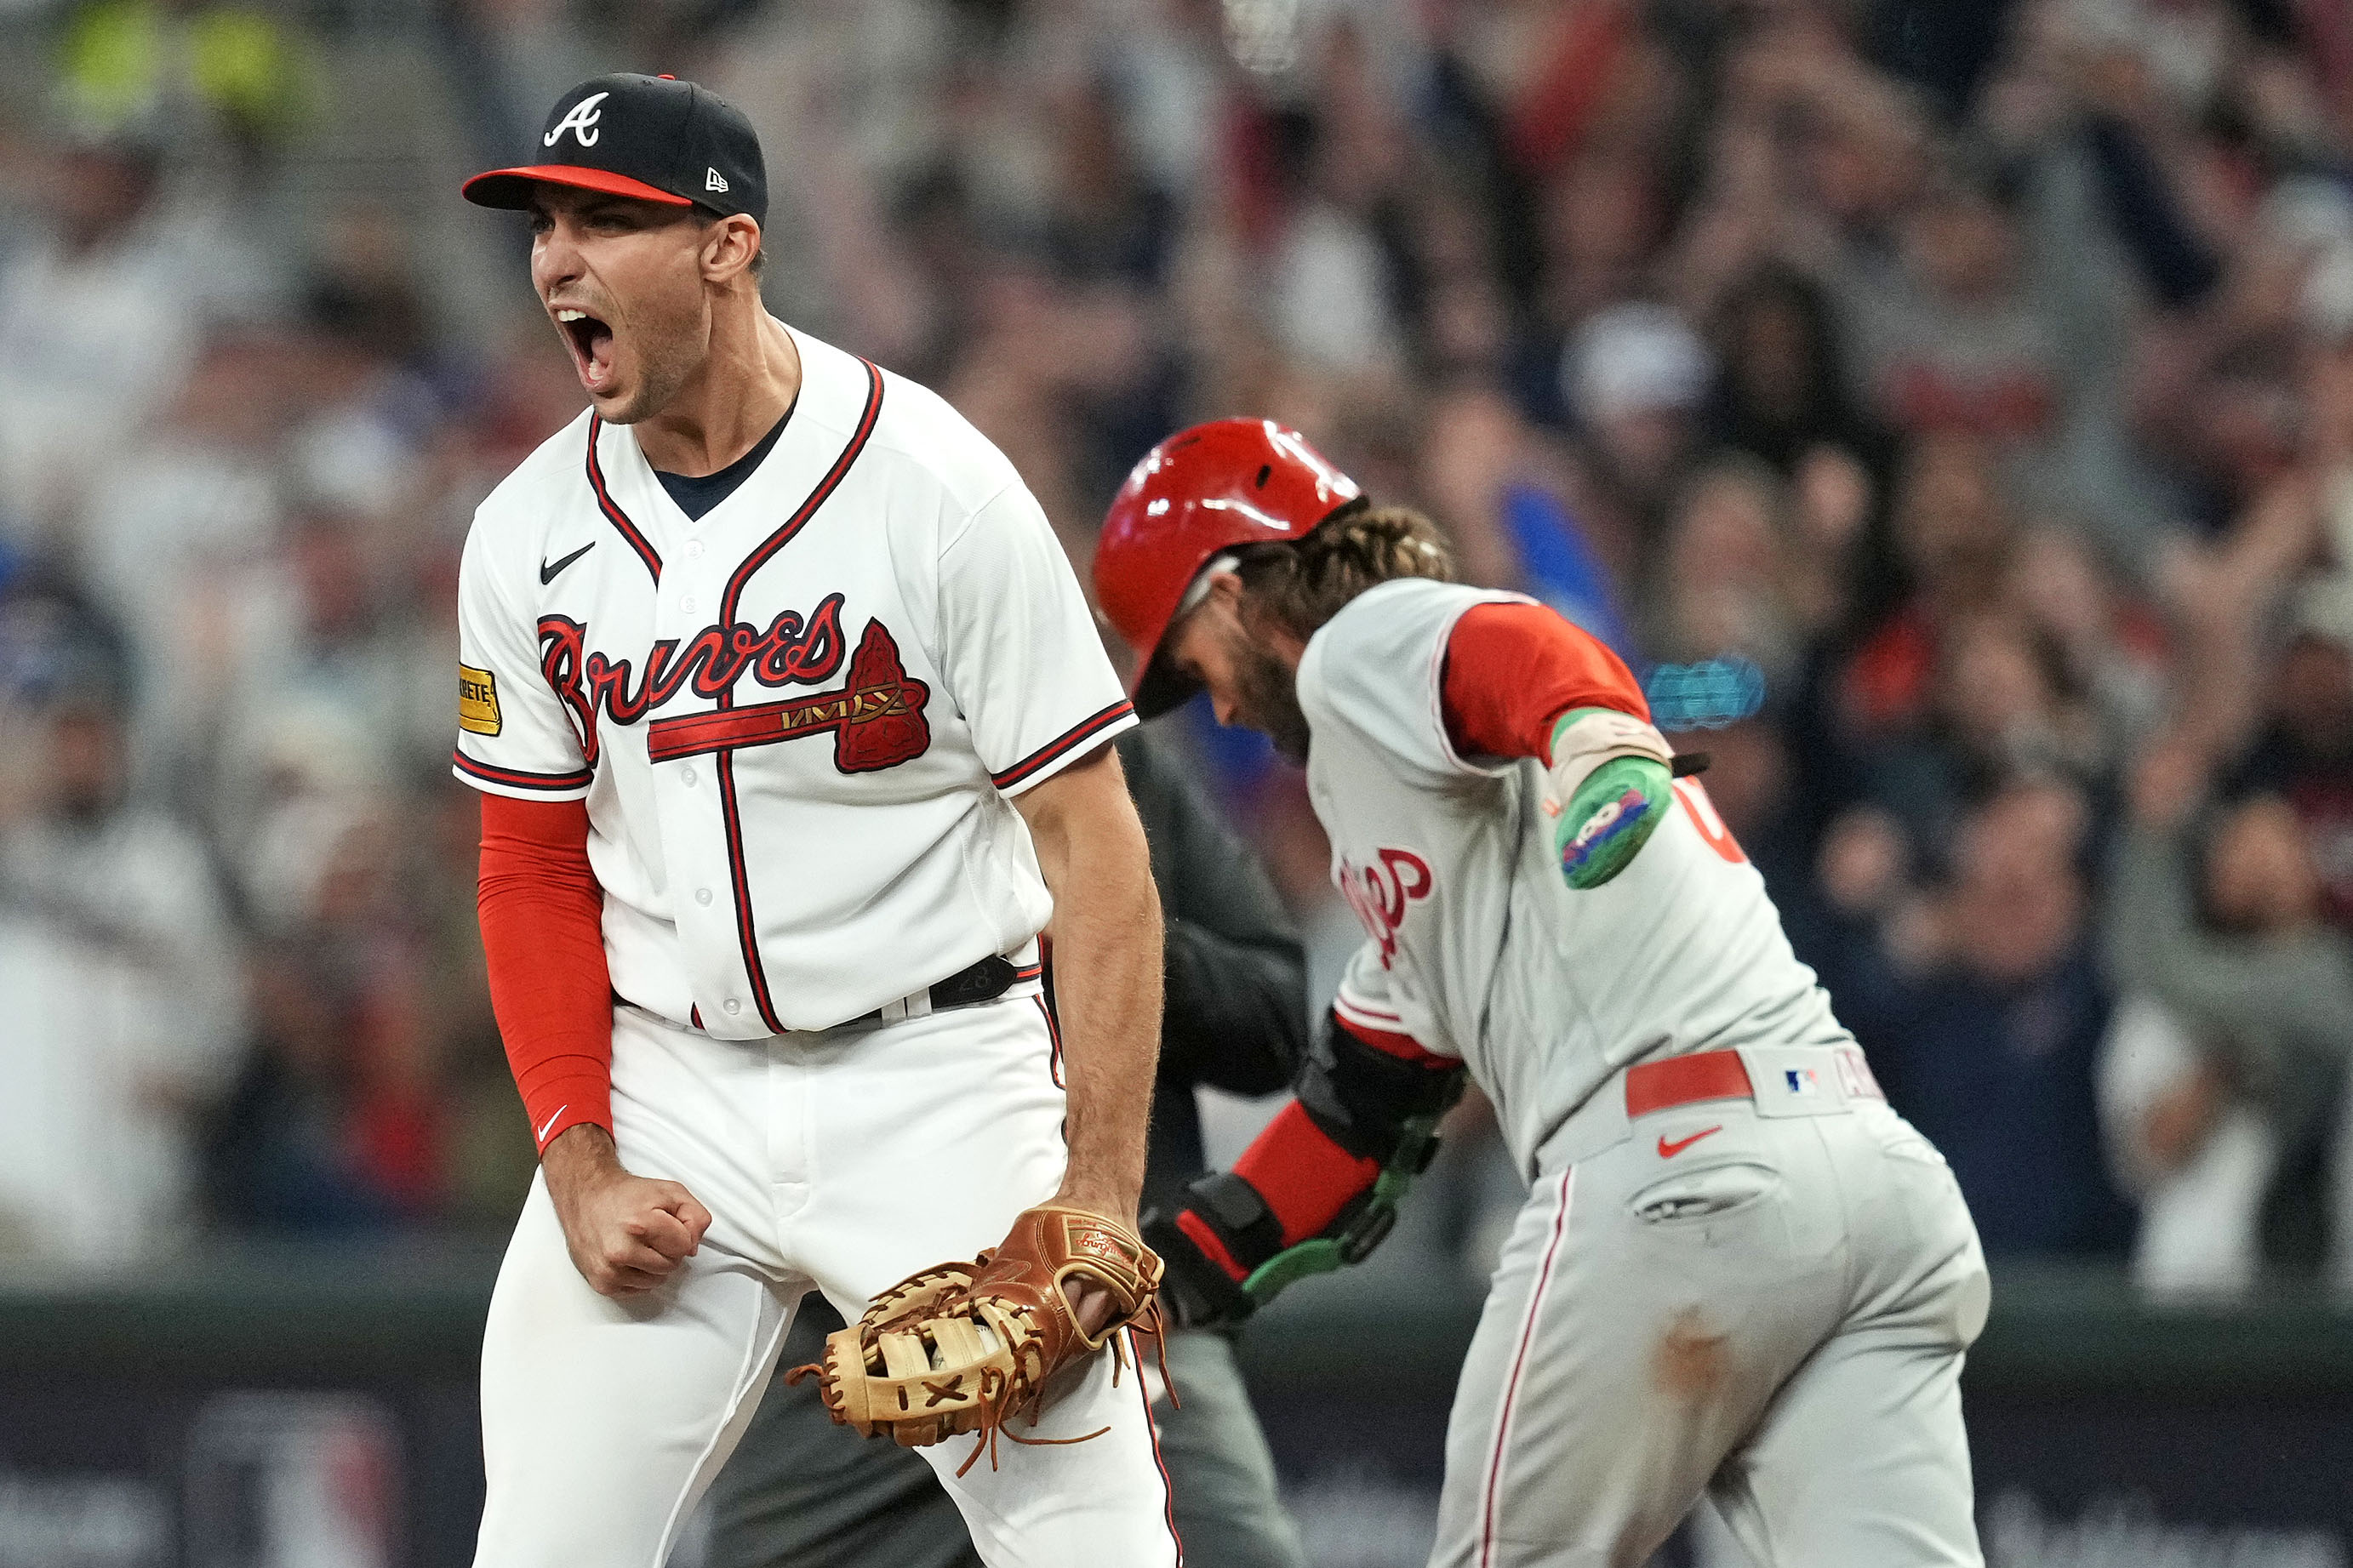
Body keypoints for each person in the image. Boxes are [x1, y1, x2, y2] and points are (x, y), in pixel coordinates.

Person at [450, 74, 1171, 1566]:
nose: (557, 261)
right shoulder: (525, 532)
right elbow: (526, 864)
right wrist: (577, 1151)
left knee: (1097, 1549)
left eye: (605, 221)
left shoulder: (939, 492)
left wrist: (1098, 1194)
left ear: (729, 245)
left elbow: (1097, 858)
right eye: (545, 226)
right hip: (669, 1080)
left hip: (938, 1068)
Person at [1092, 418, 1991, 1568]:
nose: (1213, 705)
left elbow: (1512, 641)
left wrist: (1596, 738)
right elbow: (1355, 1114)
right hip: (1870, 1185)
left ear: (1230, 592)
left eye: (1190, 663)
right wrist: (1151, 1282)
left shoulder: (1358, 643)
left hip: (1678, 1179)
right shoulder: (1439, 852)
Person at [705, 725, 1311, 1568]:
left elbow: (1276, 1015)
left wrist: (1107, 936)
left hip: (1104, 1305)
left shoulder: (1105, 755)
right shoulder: (784, 750)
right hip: (848, 1330)